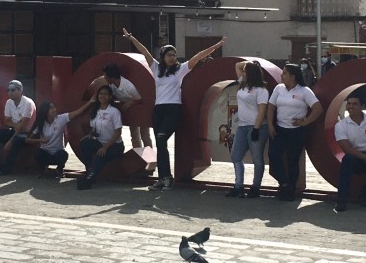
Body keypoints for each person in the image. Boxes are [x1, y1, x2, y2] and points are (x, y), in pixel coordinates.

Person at [121, 29, 226, 190]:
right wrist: (131, 38)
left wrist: (216, 46)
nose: (172, 58)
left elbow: (198, 56)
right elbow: (145, 52)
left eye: (174, 55)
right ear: (163, 56)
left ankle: (167, 178)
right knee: (160, 144)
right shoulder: (156, 68)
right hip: (158, 110)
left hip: (173, 109)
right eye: (169, 55)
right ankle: (163, 178)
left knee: (162, 139)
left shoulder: (180, 69)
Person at [267, 63, 322, 201]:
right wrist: (270, 125)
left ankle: (290, 189)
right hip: (279, 129)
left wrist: (305, 122)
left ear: (293, 76)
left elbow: (317, 108)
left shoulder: (304, 91)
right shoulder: (279, 89)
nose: (281, 75)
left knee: (293, 160)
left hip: (296, 131)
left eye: (284, 73)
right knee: (273, 156)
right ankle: (283, 183)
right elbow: (271, 108)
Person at [228, 61, 270, 198]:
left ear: (251, 74)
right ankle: (238, 186)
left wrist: (256, 129)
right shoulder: (243, 85)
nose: (242, 73)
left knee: (257, 158)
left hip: (256, 126)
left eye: (246, 71)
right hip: (242, 126)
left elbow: (262, 110)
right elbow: (236, 65)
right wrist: (250, 63)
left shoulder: (262, 90)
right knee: (236, 155)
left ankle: (256, 186)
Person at [76, 85, 125, 190]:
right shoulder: (95, 111)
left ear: (110, 97)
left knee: (100, 155)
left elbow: (118, 132)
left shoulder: (114, 112)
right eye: (101, 94)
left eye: (106, 94)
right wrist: (89, 135)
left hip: (114, 145)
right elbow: (94, 130)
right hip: (99, 142)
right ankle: (89, 171)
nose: (102, 96)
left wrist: (105, 147)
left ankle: (89, 179)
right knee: (85, 143)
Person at [26, 99, 90, 177]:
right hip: (45, 152)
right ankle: (41, 169)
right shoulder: (41, 123)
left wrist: (89, 102)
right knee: (38, 153)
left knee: (63, 154)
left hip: (58, 152)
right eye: (51, 108)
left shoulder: (61, 119)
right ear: (45, 112)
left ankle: (60, 169)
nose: (54, 110)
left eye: (54, 107)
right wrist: (40, 140)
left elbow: (76, 113)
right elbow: (28, 139)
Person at [0, 79, 36, 174]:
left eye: (13, 90)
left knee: (16, 140)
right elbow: (7, 121)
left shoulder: (28, 103)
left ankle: (7, 168)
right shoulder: (9, 102)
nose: (10, 92)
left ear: (20, 90)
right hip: (16, 130)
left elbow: (22, 126)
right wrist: (16, 125)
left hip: (28, 133)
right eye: (8, 90)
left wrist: (9, 141)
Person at [98, 63, 149, 150]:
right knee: (134, 135)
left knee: (145, 135)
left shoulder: (129, 86)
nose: (104, 77)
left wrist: (131, 102)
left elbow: (141, 97)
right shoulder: (112, 85)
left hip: (141, 109)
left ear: (111, 77)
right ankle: (138, 156)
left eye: (105, 75)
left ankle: (150, 158)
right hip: (131, 112)